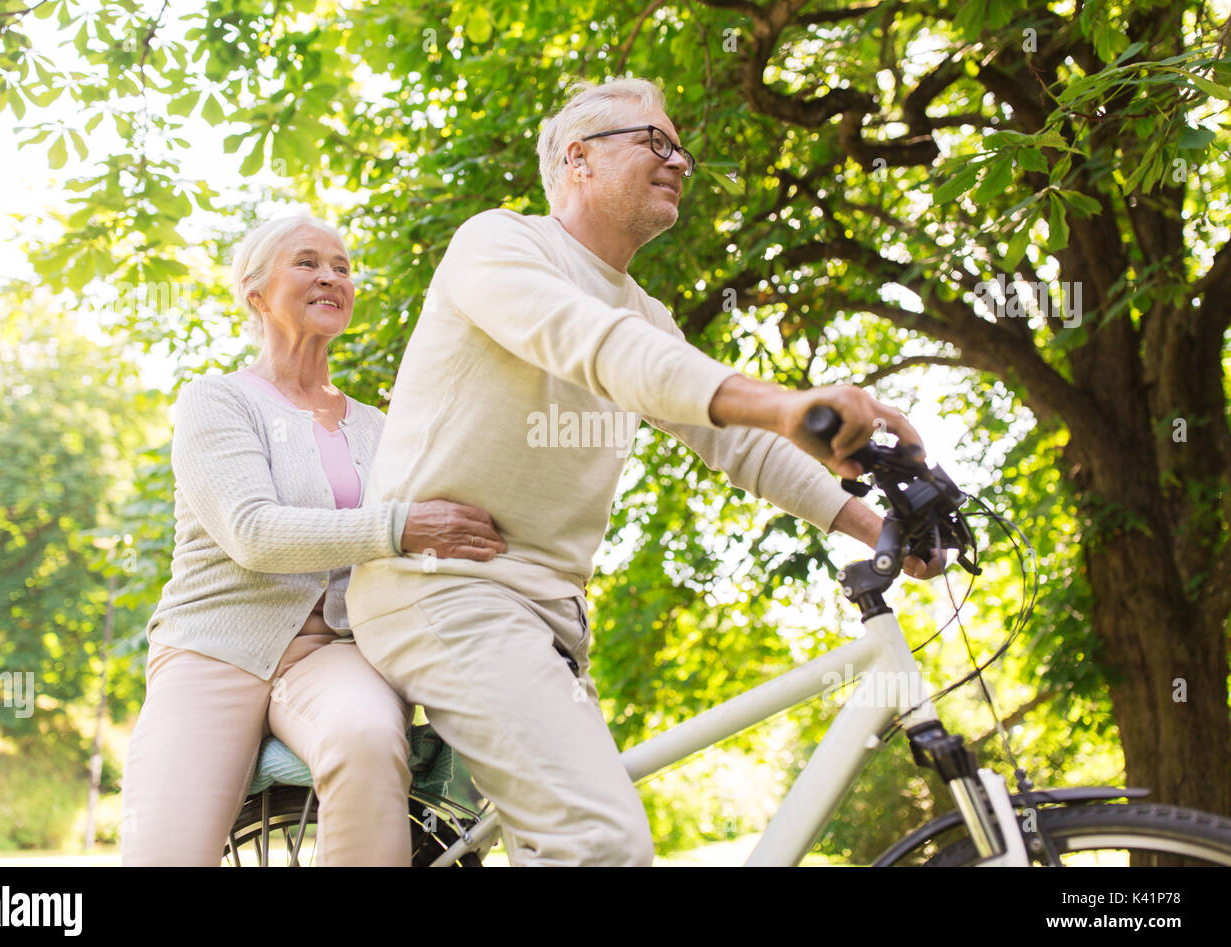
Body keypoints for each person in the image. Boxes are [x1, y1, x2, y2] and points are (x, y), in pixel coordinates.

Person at [343, 78, 942, 866]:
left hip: (545, 617)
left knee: (574, 839)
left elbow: (737, 443)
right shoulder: (499, 243)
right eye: (655, 142)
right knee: (603, 843)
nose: (680, 161)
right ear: (578, 158)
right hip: (443, 591)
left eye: (682, 147)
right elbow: (593, 344)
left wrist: (881, 525)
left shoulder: (645, 314)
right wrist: (786, 402)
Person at [120, 214, 506, 866]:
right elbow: (253, 532)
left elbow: (431, 541)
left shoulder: (382, 428)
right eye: (307, 262)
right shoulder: (216, 402)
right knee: (165, 852)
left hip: (332, 652)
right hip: (214, 650)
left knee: (365, 737)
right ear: (255, 293)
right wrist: (400, 527)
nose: (330, 275)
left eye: (342, 267)